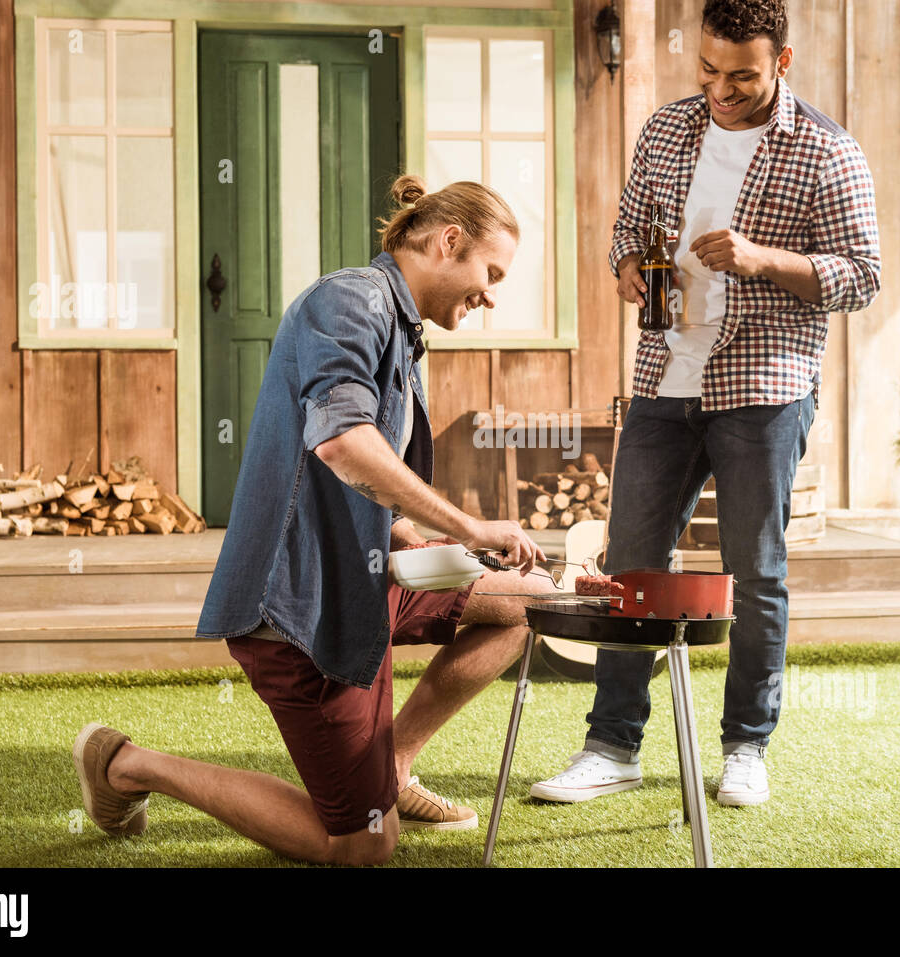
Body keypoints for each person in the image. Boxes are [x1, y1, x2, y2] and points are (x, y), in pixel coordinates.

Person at [72, 175, 553, 866]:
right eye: (491, 272)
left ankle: (394, 767)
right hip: (302, 608)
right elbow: (340, 441)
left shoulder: (400, 326)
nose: (492, 293)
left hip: (363, 580)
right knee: (362, 847)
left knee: (530, 601)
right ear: (450, 242)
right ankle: (126, 764)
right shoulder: (351, 302)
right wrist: (472, 529)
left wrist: (397, 530)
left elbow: (342, 471)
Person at [531, 0, 880, 807]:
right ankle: (612, 745)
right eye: (710, 71)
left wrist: (762, 259)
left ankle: (745, 746)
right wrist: (627, 265)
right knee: (630, 565)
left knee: (753, 571)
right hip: (664, 377)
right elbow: (628, 228)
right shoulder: (667, 129)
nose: (721, 90)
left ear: (781, 65)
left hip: (763, 385)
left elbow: (861, 275)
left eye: (743, 76)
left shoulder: (828, 151)